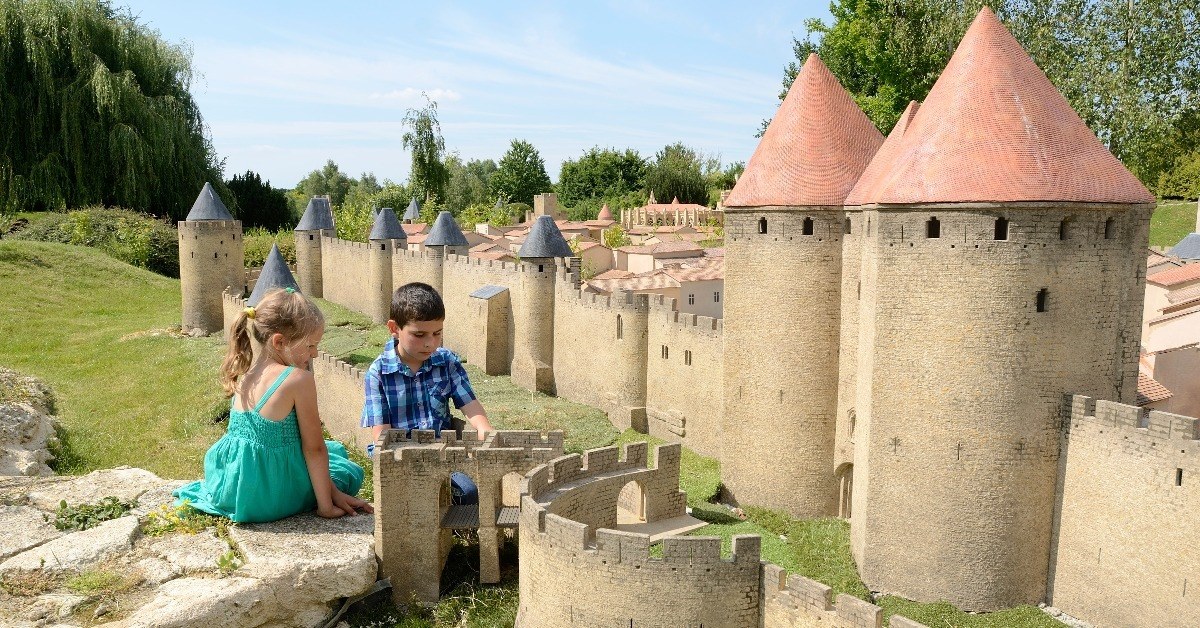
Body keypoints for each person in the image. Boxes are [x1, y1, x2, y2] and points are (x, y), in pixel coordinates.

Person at [174, 287, 372, 523]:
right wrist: (326, 505)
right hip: (269, 496)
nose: (315, 354)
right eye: (310, 346)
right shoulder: (298, 379)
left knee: (332, 452)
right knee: (344, 469)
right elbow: (314, 449)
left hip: (233, 488)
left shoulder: (247, 373)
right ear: (279, 342)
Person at [361, 282, 494, 504]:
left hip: (444, 456)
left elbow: (471, 407)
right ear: (395, 329)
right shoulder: (379, 373)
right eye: (419, 334)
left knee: (468, 494)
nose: (429, 343)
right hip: (401, 457)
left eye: (437, 333)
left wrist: (487, 433)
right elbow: (381, 436)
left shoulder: (446, 362)